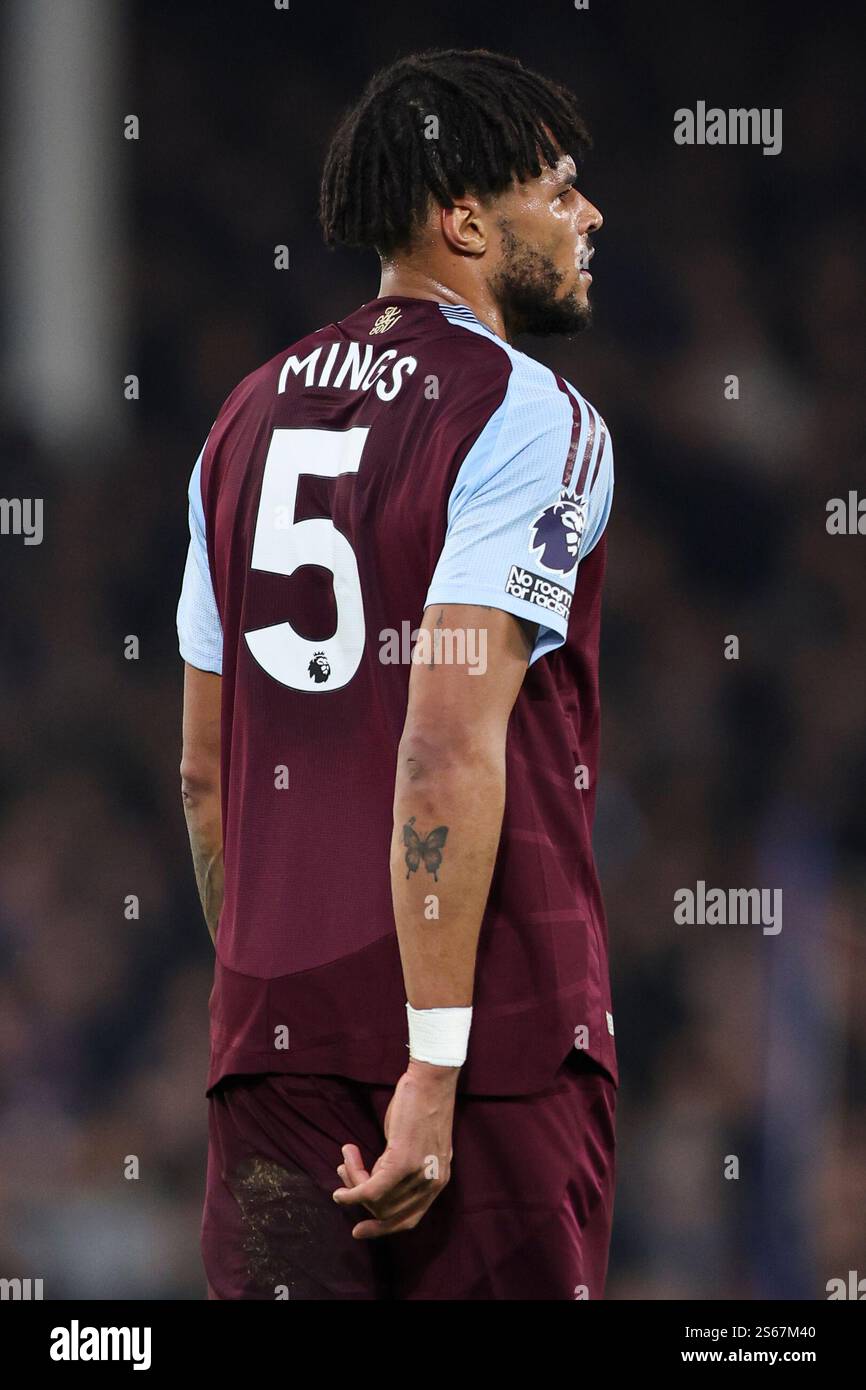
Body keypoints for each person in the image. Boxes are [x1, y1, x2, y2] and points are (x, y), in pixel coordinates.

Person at [177, 46, 617, 1300]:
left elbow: (206, 780)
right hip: (490, 1058)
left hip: (271, 1054)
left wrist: (280, 1011)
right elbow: (440, 747)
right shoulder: (528, 415)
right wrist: (431, 1060)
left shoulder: (237, 425)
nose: (588, 216)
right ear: (465, 218)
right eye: (560, 187)